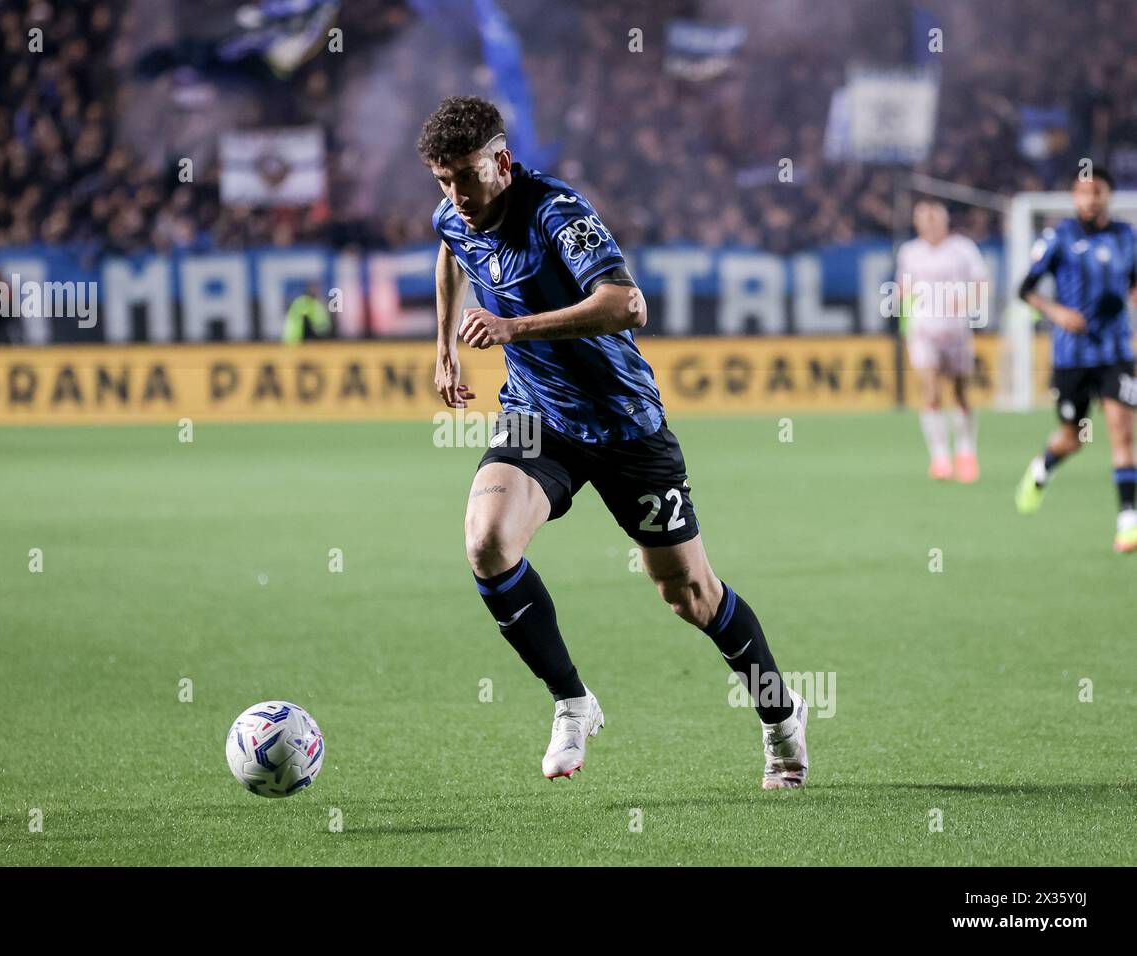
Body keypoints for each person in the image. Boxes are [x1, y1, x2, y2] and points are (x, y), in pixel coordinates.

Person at [421, 96, 809, 788]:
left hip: (626, 425)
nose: (457, 195)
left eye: (468, 176)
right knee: (486, 540)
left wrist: (513, 328)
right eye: (443, 179)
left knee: (688, 594)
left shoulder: (556, 212)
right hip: (539, 418)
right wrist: (445, 345)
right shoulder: (456, 213)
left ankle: (780, 712)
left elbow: (629, 305)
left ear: (502, 162)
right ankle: (573, 701)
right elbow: (453, 248)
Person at [1014, 168, 1137, 553]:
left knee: (1122, 431)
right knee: (1075, 436)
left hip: (1115, 352)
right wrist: (1058, 313)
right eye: (1083, 192)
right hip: (1071, 357)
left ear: (1108, 195)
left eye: (1097, 191)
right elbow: (1025, 290)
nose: (1090, 198)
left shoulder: (1127, 237)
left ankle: (1127, 522)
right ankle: (1043, 467)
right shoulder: (1058, 238)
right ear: (1073, 196)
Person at [896, 198, 990, 481]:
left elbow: (980, 282)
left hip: (957, 330)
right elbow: (904, 288)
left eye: (934, 218)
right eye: (923, 218)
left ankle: (965, 451)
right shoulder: (910, 252)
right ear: (917, 223)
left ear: (945, 221)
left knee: (960, 393)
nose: (929, 224)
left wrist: (967, 307)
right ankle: (939, 458)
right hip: (923, 331)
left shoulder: (963, 249)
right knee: (930, 392)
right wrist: (905, 319)